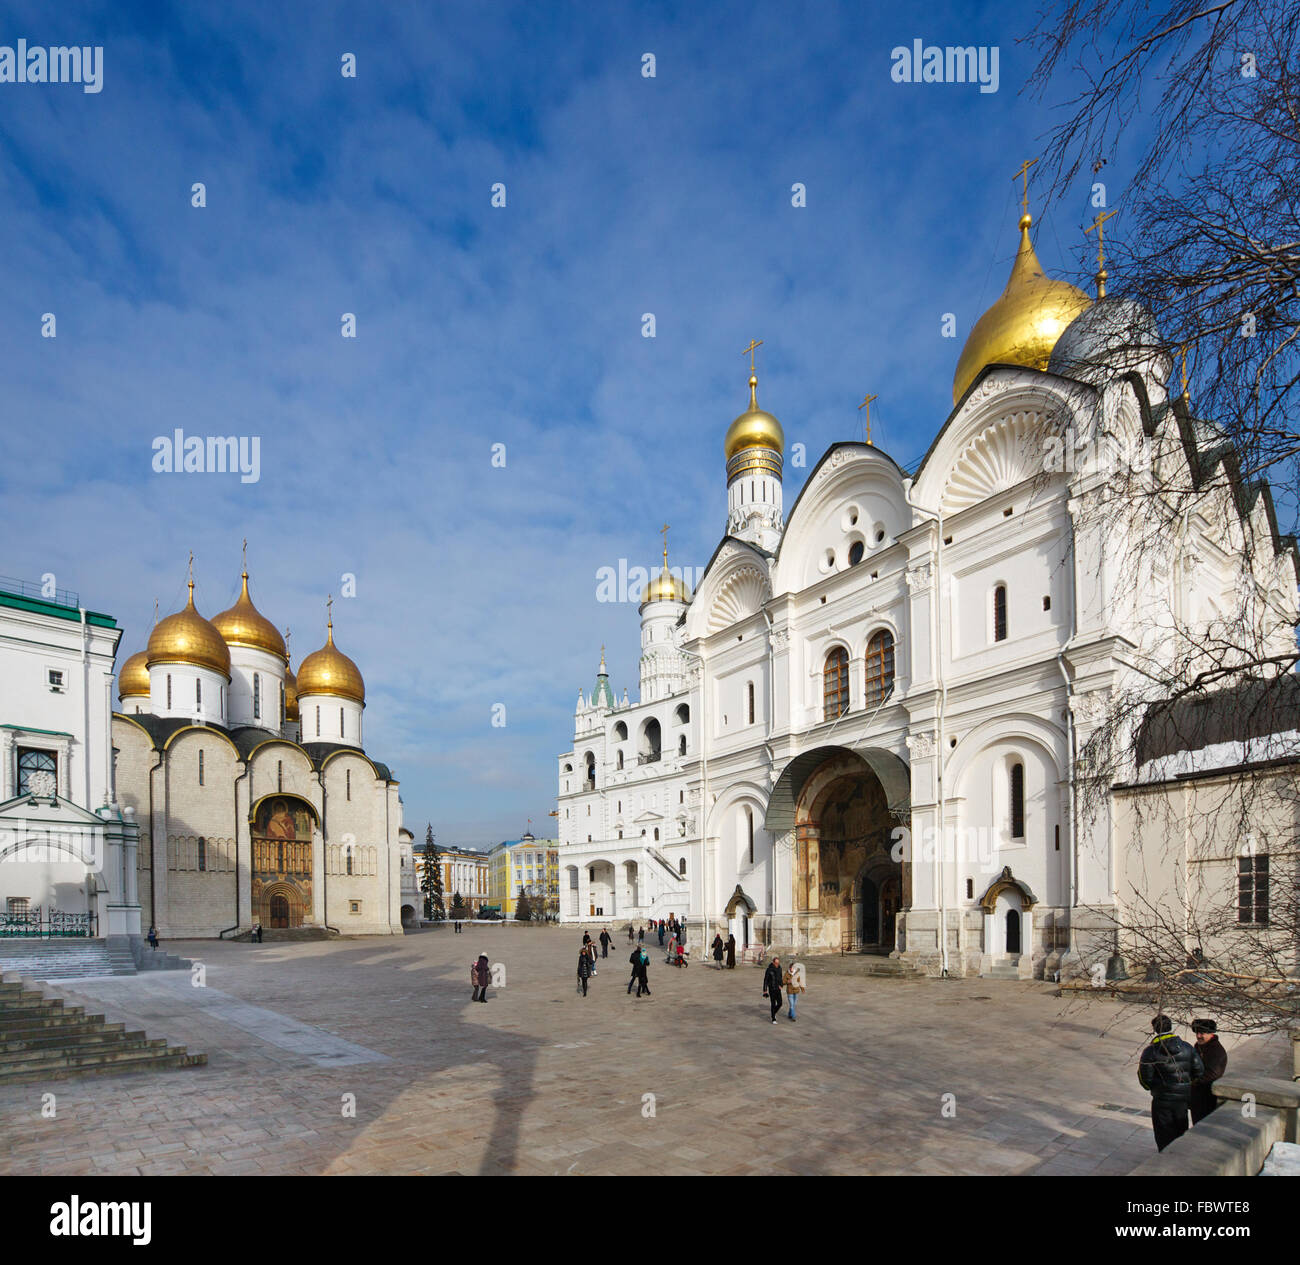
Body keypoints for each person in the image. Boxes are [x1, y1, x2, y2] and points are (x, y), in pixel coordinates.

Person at [1138, 1014, 1203, 1151]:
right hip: (1182, 1099)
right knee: (1180, 1131)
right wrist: (1186, 1085)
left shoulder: (1150, 1052)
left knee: (1163, 1134)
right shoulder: (1187, 1047)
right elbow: (1199, 1071)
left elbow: (1145, 1079)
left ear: (1155, 1030)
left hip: (1162, 1099)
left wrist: (1156, 1088)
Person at [1190, 1018, 1227, 1124]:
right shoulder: (1199, 1047)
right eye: (1197, 1033)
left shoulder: (1216, 1051)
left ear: (1211, 1033)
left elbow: (1212, 1074)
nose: (1198, 1036)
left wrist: (1192, 1081)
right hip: (1197, 1097)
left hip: (1207, 1098)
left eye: (1202, 1033)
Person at [762, 955, 784, 1024]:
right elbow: (765, 980)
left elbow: (780, 978)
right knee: (773, 1003)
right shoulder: (769, 969)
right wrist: (765, 990)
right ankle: (773, 1018)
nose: (777, 964)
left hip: (778, 988)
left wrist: (781, 985)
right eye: (776, 963)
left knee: (780, 1003)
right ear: (773, 963)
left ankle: (773, 1012)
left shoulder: (780, 968)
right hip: (772, 988)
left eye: (778, 963)